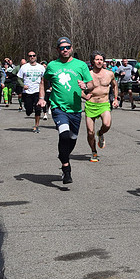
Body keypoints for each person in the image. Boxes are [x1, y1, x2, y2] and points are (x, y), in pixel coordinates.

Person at [38, 37, 94, 185]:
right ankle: (66, 168)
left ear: (71, 48)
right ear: (57, 50)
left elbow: (91, 84)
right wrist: (42, 97)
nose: (65, 50)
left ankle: (63, 156)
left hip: (75, 110)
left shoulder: (81, 65)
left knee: (72, 140)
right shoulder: (52, 66)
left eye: (67, 47)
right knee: (63, 135)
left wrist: (86, 87)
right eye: (62, 48)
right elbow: (44, 81)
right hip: (58, 107)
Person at [82, 51, 119, 162]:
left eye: (101, 60)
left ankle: (101, 133)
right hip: (91, 104)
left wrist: (116, 99)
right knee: (90, 132)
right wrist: (84, 96)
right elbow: (78, 88)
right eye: (97, 59)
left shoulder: (109, 74)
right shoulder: (87, 74)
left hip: (104, 104)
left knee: (107, 124)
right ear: (93, 61)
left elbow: (115, 85)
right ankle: (94, 152)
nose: (99, 61)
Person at [17, 51, 46, 132]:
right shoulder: (24, 67)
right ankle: (28, 110)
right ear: (28, 57)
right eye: (30, 56)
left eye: (33, 55)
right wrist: (23, 85)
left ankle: (36, 125)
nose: (32, 57)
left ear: (36, 57)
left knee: (38, 108)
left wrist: (44, 88)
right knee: (29, 110)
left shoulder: (41, 67)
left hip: (38, 91)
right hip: (27, 92)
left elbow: (45, 79)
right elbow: (18, 78)